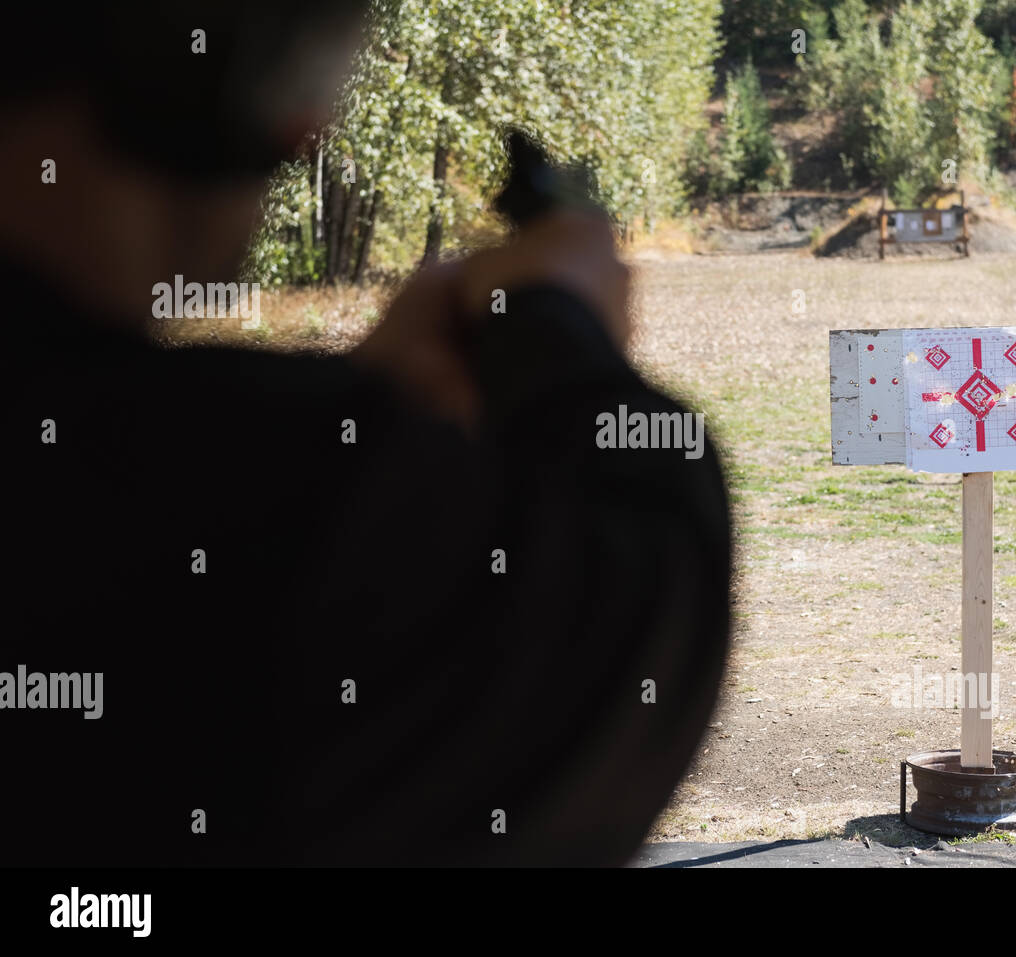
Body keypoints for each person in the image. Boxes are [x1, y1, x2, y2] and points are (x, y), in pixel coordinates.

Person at [2, 3, 731, 866]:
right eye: (298, 73)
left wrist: (361, 410)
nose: (309, 136)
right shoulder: (235, 488)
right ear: (181, 75)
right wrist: (554, 324)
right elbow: (624, 609)